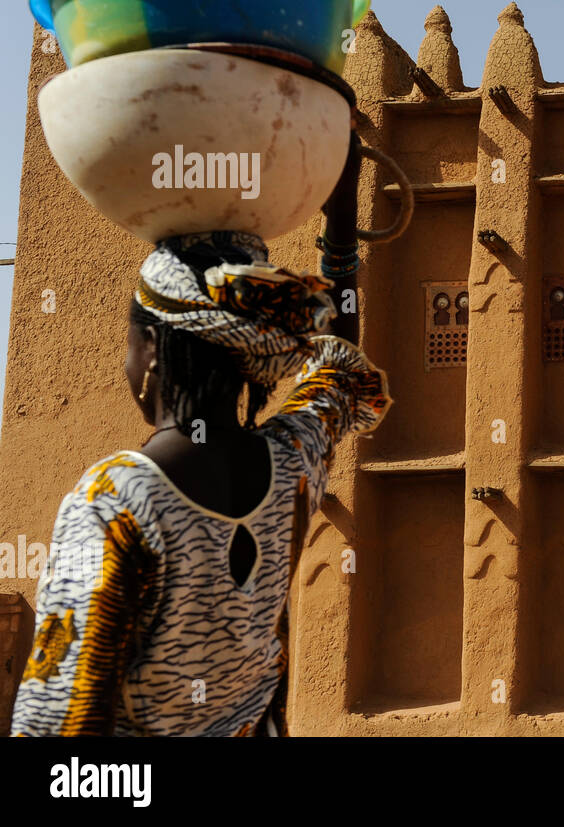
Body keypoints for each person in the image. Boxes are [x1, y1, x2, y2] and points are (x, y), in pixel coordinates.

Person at [10, 195, 389, 736]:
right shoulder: (288, 468)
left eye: (129, 342)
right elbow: (340, 370)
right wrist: (343, 221)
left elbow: (59, 732)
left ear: (152, 348)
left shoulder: (113, 502)